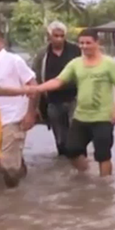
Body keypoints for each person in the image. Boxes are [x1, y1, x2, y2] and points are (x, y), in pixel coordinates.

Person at [31, 29, 115, 176]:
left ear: (97, 43)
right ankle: (86, 174)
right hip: (81, 116)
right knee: (71, 150)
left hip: (103, 117)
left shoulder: (109, 64)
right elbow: (58, 81)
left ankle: (105, 187)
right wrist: (36, 88)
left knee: (103, 155)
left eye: (88, 43)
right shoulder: (75, 64)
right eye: (81, 43)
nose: (84, 46)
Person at [0, 27, 38, 188]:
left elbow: (33, 86)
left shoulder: (14, 60)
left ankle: (15, 202)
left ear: (1, 42)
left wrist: (31, 113)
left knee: (8, 166)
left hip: (12, 117)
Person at [31, 21, 82, 156]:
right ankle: (63, 164)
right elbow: (35, 77)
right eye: (56, 35)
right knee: (60, 138)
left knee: (76, 134)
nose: (59, 38)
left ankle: (78, 165)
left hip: (75, 99)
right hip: (53, 100)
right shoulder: (42, 54)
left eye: (61, 35)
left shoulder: (76, 50)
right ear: (49, 36)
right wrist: (35, 105)